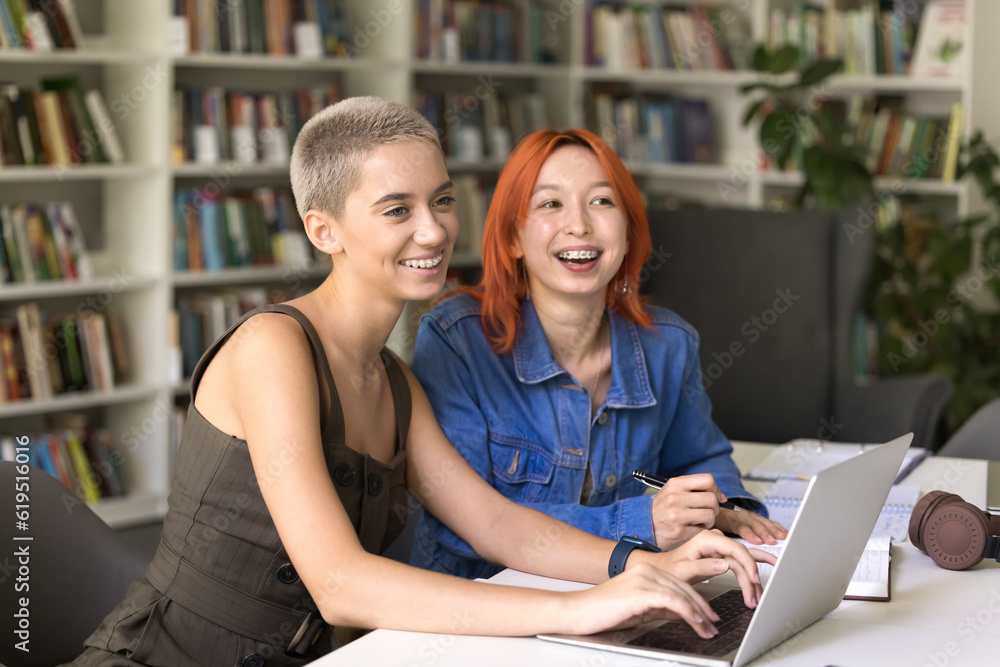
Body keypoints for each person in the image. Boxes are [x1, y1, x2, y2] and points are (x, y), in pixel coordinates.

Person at [65, 99, 772, 667]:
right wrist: (576, 607)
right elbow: (339, 585)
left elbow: (498, 525)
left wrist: (635, 566)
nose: (432, 231)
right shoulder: (272, 347)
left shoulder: (397, 382)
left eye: (440, 200)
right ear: (324, 230)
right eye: (397, 210)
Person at [410, 128, 788, 580]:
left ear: (628, 233)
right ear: (513, 237)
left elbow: (696, 457)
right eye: (551, 204)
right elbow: (469, 525)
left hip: (617, 589)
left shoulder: (669, 344)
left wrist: (724, 506)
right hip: (477, 606)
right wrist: (642, 523)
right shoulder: (457, 340)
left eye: (602, 201)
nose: (580, 225)